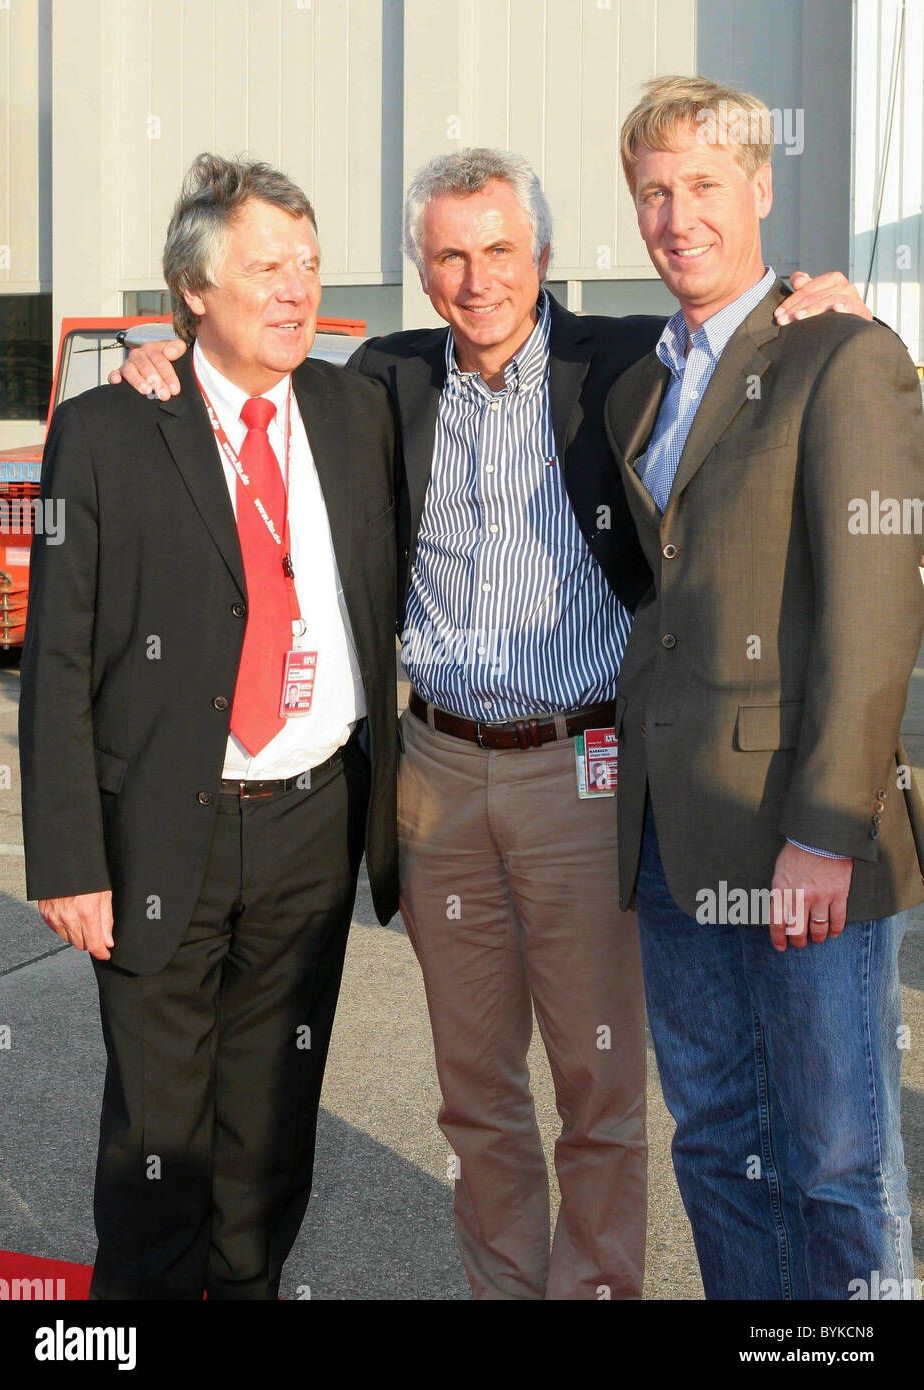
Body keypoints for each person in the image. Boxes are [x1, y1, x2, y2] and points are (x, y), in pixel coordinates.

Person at [114, 148, 869, 1301]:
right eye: (450, 257)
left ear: (545, 257)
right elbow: (249, 376)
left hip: (586, 769)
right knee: (475, 1092)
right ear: (421, 273)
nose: (478, 280)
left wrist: (825, 306)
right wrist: (161, 350)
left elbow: (741, 338)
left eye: (500, 250)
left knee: (599, 1089)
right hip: (435, 774)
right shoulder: (384, 379)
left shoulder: (621, 359)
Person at [18, 154, 398, 1300]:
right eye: (265, 268)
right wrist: (70, 858)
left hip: (311, 828)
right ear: (192, 290)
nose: (296, 291)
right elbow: (61, 656)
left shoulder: (358, 406)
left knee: (271, 1134)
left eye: (310, 265)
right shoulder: (104, 430)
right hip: (157, 837)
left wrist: (780, 304)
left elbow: (515, 342)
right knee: (157, 1143)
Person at [606, 75, 924, 1300]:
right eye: (651, 191)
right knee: (717, 1140)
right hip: (673, 837)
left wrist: (827, 832)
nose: (676, 215)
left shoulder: (841, 353)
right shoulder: (647, 382)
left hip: (800, 837)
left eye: (701, 184)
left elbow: (876, 606)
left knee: (837, 1160)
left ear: (761, 185)